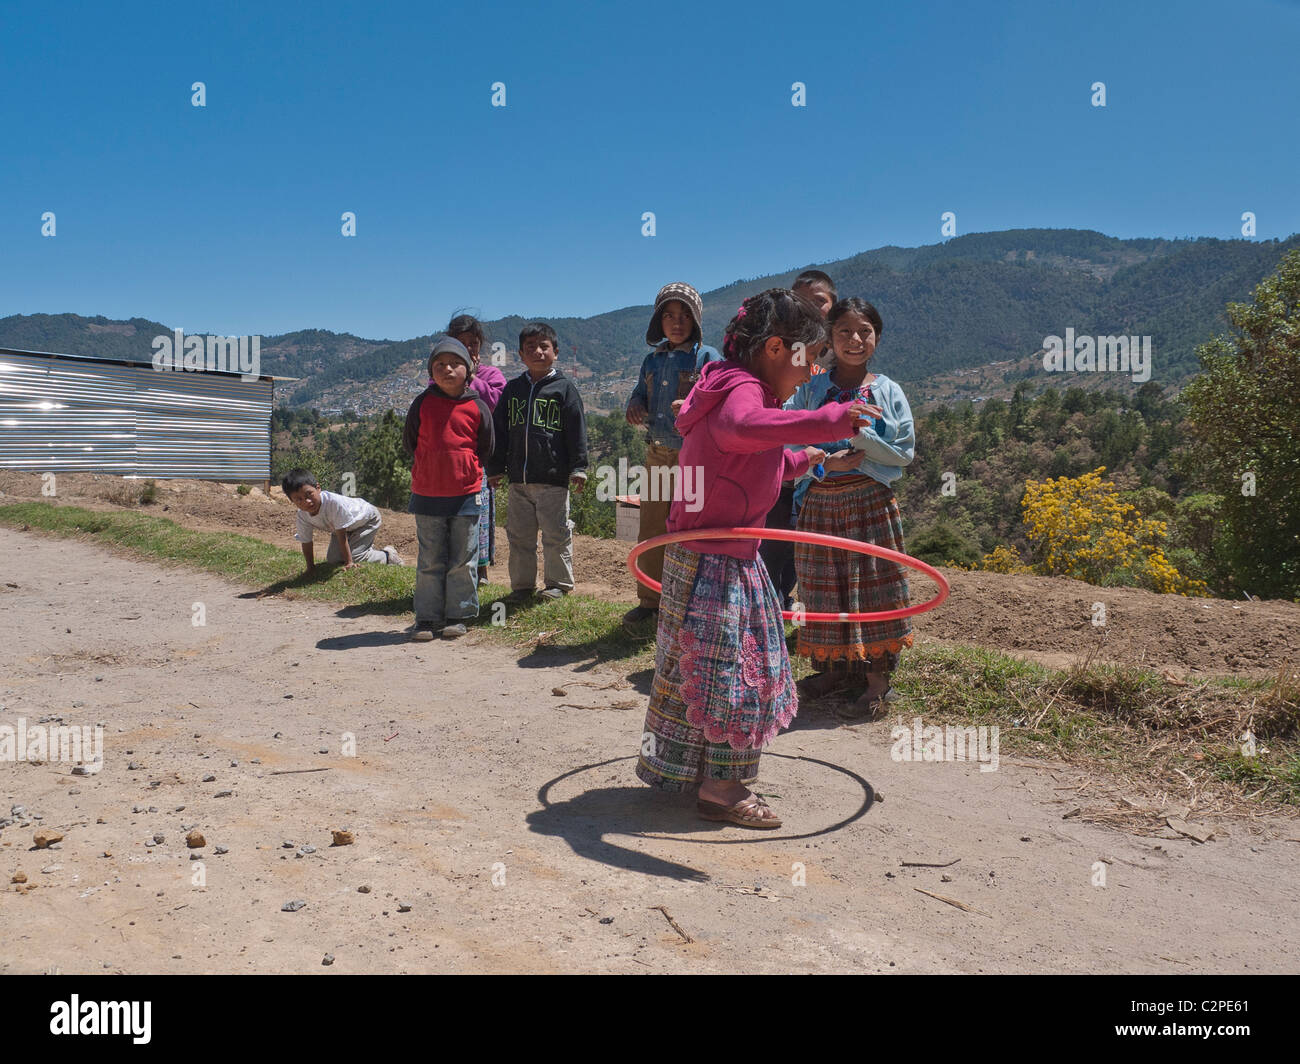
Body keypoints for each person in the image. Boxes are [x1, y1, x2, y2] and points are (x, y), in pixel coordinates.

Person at [634, 289, 877, 828]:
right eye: (808, 356)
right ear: (774, 347)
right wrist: (828, 420)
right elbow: (744, 432)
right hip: (718, 560)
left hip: (706, 553)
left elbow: (747, 453)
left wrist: (805, 458)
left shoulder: (725, 386)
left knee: (698, 668)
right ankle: (722, 788)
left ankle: (700, 773)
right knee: (740, 672)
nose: (813, 367)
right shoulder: (743, 389)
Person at [787, 297, 915, 718]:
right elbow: (786, 437)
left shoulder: (888, 390)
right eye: (843, 331)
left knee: (875, 587)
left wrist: (861, 436)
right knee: (824, 590)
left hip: (869, 503)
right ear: (829, 338)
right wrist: (822, 464)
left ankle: (878, 680)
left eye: (864, 331)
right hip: (820, 503)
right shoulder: (810, 389)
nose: (854, 339)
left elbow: (902, 454)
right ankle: (832, 671)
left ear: (876, 337)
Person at [622, 283, 722, 628]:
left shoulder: (707, 358)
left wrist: (693, 407)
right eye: (669, 315)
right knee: (651, 528)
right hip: (656, 455)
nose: (676, 323)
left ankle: (690, 603)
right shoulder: (652, 361)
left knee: (690, 530)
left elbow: (719, 402)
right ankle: (651, 601)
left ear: (695, 320)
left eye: (684, 316)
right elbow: (638, 396)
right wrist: (635, 406)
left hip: (692, 459)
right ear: (658, 321)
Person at [401, 336, 495, 641]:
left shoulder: (477, 407)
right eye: (439, 364)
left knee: (463, 558)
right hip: (427, 495)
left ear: (467, 371)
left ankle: (458, 615)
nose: (447, 369)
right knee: (430, 559)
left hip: (465, 496)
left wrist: (465, 468)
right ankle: (426, 619)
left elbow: (486, 447)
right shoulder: (423, 403)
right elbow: (410, 442)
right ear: (431, 371)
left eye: (455, 363)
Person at [487, 322, 589, 601]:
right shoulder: (513, 390)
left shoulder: (564, 389)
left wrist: (579, 467)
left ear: (555, 352)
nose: (537, 352)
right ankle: (521, 588)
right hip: (518, 481)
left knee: (556, 535)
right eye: (530, 347)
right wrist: (495, 468)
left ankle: (558, 585)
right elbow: (501, 431)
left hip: (553, 479)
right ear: (520, 354)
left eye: (544, 346)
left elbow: (576, 430)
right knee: (520, 537)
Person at [760, 270, 838, 609]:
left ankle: (791, 602)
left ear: (833, 307)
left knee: (806, 545)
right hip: (779, 463)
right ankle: (770, 602)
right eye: (803, 300)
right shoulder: (778, 349)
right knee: (773, 539)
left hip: (826, 471)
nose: (811, 307)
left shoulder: (841, 355)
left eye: (819, 301)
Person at [446, 313, 507, 588]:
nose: (469, 349)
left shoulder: (491, 375)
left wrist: (470, 377)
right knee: (450, 515)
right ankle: (452, 568)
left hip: (478, 459)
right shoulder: (441, 376)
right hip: (448, 460)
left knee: (478, 515)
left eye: (474, 343)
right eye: (462, 342)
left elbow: (495, 403)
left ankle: (481, 571)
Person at [283, 469, 402, 573]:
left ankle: (387, 555)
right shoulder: (302, 515)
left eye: (309, 494)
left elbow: (342, 536)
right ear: (292, 501)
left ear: (318, 488)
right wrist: (310, 567)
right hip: (342, 527)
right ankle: (362, 548)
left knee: (356, 556)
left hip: (366, 520)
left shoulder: (333, 504)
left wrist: (349, 563)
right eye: (299, 499)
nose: (306, 501)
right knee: (333, 560)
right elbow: (306, 542)